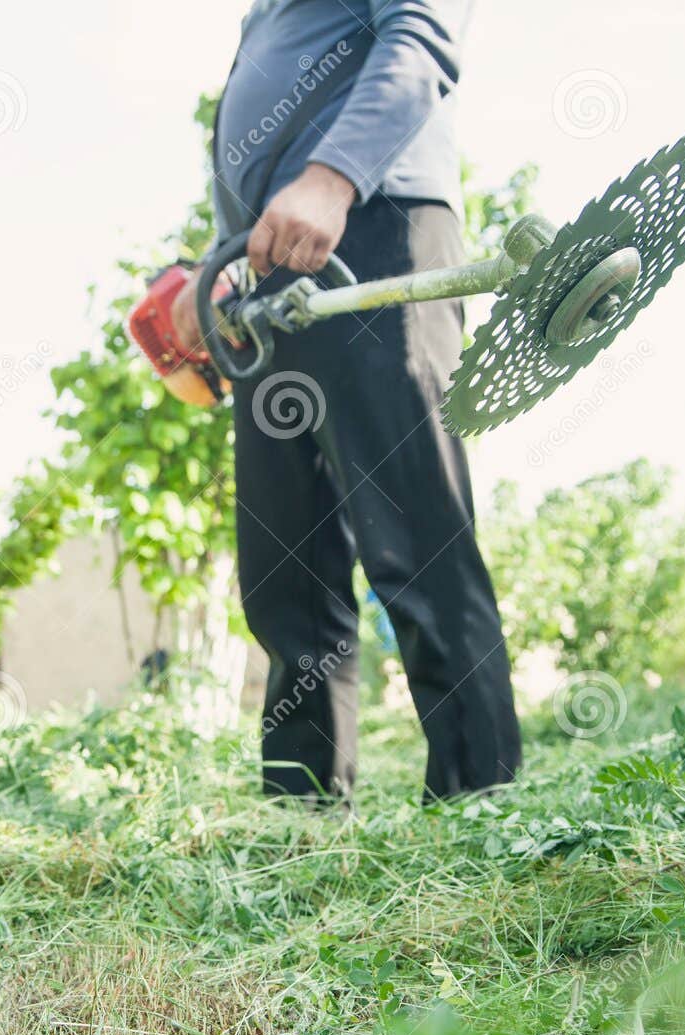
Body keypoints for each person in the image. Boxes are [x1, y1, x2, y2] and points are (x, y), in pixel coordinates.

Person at [173, 0, 520, 804]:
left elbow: (424, 36)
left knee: (415, 539)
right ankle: (298, 821)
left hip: (372, 230)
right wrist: (215, 268)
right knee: (286, 573)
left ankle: (483, 816)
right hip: (268, 280)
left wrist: (333, 178)